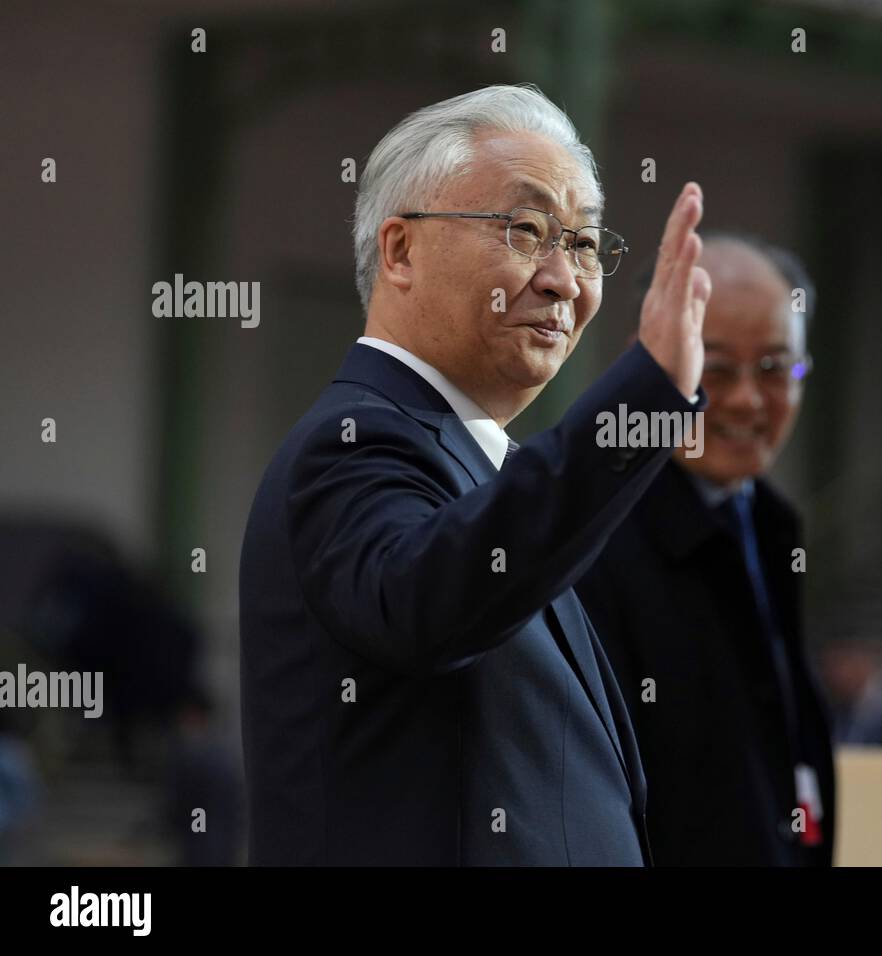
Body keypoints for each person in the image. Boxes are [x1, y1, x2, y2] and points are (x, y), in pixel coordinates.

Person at [239, 84, 712, 865]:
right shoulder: (355, 442)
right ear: (400, 252)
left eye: (585, 243)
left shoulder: (486, 466)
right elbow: (437, 597)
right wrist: (640, 402)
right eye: (526, 230)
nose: (565, 279)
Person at [577, 235, 836, 865]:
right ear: (651, 363)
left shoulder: (768, 520)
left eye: (776, 368)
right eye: (715, 369)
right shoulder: (591, 534)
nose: (748, 399)